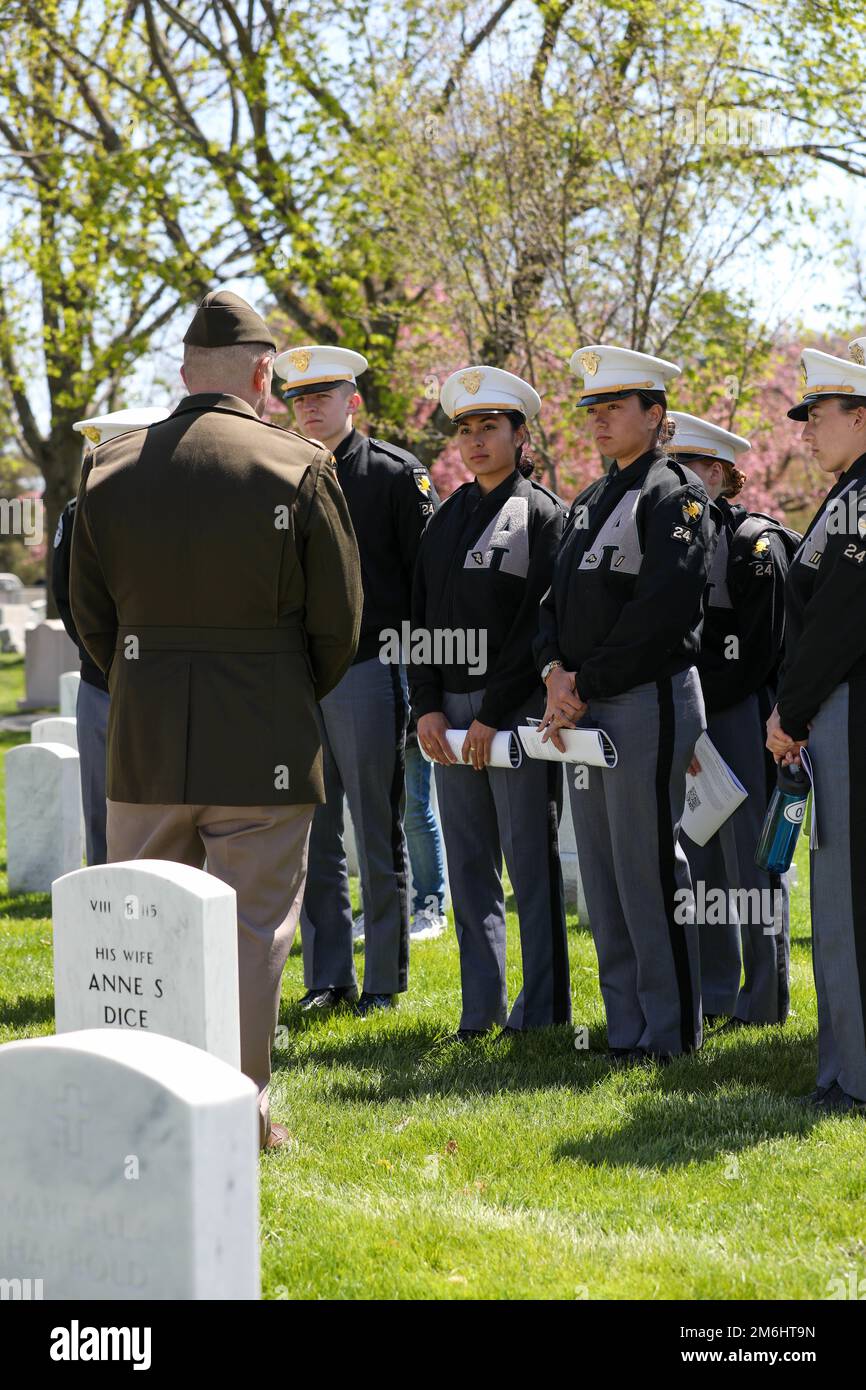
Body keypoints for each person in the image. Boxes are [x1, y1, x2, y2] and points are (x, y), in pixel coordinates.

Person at [69, 290, 362, 1148]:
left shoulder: (110, 468)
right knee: (251, 929)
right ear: (265, 373)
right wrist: (281, 685)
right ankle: (238, 1109)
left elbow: (90, 618)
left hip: (146, 740)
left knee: (141, 929)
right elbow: (338, 626)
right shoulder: (298, 465)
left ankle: (146, 1105)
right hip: (263, 739)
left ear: (184, 370)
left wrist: (143, 680)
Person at [536, 345, 717, 1063]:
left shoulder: (678, 494)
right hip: (584, 706)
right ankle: (625, 1029)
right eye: (593, 409)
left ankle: (671, 1034)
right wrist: (554, 672)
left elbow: (662, 612)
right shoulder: (588, 499)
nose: (600, 420)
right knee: (604, 874)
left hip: (645, 698)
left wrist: (582, 684)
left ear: (655, 413)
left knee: (647, 867)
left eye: (615, 407)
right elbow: (551, 603)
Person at [275, 344, 439, 1015]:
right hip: (301, 677)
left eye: (323, 394)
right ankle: (328, 977)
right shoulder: (282, 472)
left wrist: (422, 679)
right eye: (299, 397)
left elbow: (428, 586)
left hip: (373, 667)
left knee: (376, 827)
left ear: (354, 400)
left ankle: (383, 981)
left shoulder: (396, 474)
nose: (310, 407)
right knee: (314, 834)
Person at [412, 366, 570, 1039]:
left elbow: (538, 625)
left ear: (520, 435)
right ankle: (481, 1012)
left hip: (517, 711)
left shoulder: (543, 514)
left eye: (490, 427)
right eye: (466, 430)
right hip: (448, 715)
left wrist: (492, 714)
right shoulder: (445, 517)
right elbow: (420, 617)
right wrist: (426, 705)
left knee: (530, 864)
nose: (475, 441)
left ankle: (544, 1014)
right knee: (471, 866)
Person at [667, 412, 793, 1027]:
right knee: (701, 858)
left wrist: (700, 714)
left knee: (754, 863)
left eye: (687, 467)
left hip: (742, 716)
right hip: (690, 715)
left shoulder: (754, 542)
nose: (675, 480)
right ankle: (716, 994)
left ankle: (764, 1000)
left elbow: (762, 652)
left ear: (717, 473)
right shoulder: (671, 537)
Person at [768, 339, 866, 1114]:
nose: (807, 429)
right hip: (828, 708)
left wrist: (790, 712)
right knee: (833, 904)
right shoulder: (846, 492)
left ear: (861, 416)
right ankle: (837, 1070)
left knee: (849, 905)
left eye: (820, 414)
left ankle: (856, 1080)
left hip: (847, 710)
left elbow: (840, 619)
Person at [53, 407, 170, 865]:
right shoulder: (77, 512)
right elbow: (68, 599)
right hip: (101, 682)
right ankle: (103, 899)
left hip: (166, 680)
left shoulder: (177, 509)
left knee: (170, 811)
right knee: (100, 809)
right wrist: (108, 660)